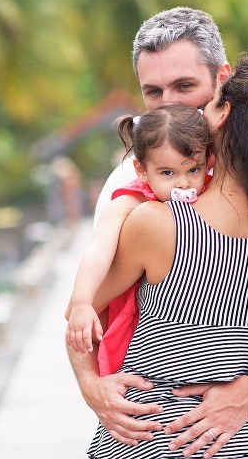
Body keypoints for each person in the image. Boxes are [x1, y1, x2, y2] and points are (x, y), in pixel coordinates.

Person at [66, 7, 248, 457]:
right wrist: (90, 385)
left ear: (222, 83)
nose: (169, 102)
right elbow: (85, 305)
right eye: (153, 91)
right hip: (156, 411)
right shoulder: (134, 180)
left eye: (185, 86)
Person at [65, 104, 214, 376]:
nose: (183, 183)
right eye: (167, 173)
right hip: (138, 310)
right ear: (142, 170)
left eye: (193, 170)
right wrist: (83, 302)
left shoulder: (212, 193)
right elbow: (99, 250)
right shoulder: (130, 200)